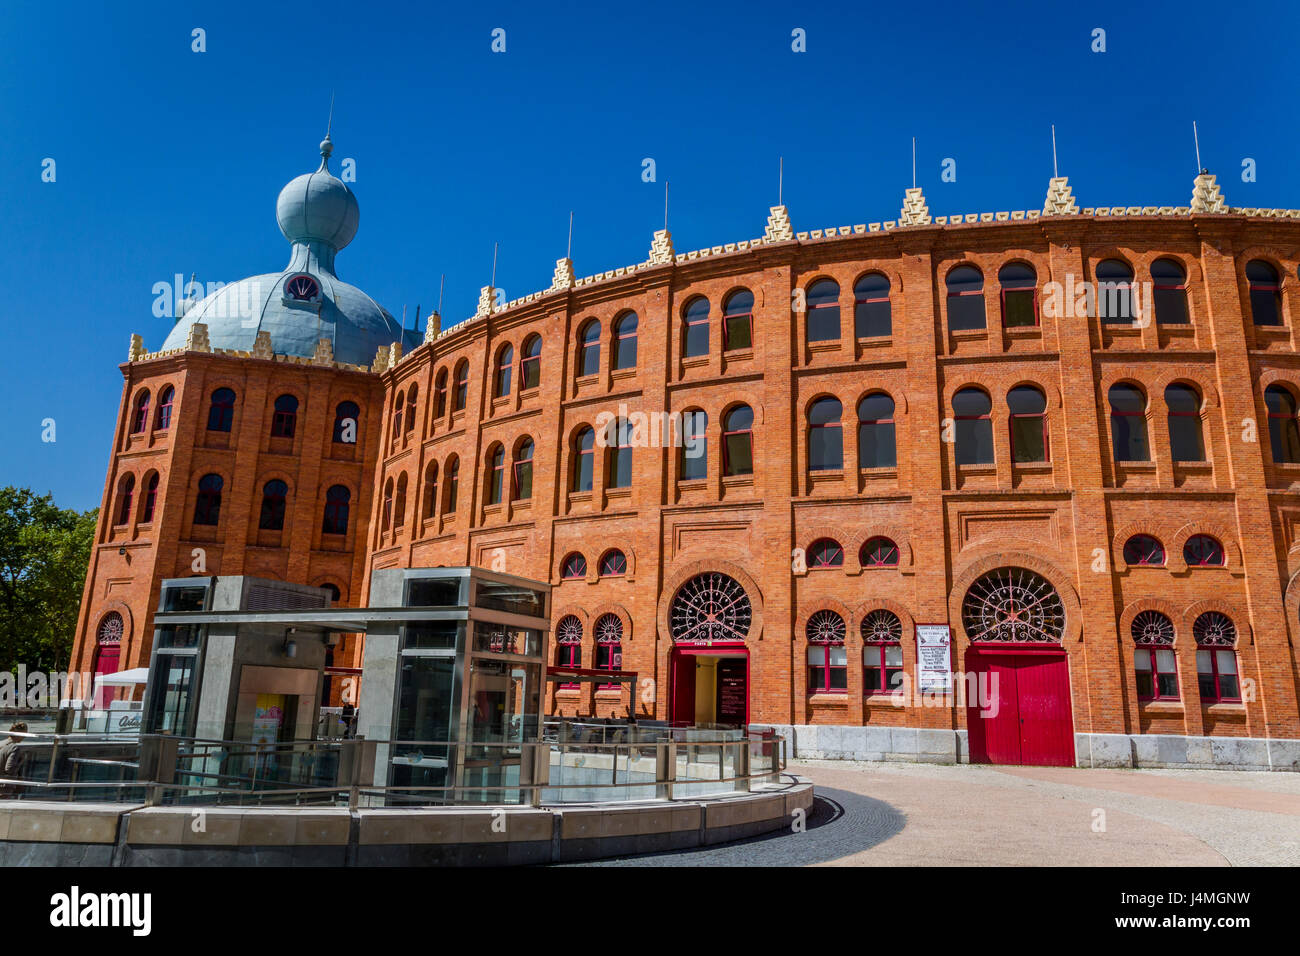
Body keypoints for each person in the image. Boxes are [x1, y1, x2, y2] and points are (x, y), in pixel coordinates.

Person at [0, 722, 29, 797]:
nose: (24, 737)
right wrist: (21, 761)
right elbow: (9, 769)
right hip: (4, 787)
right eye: (24, 735)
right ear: (18, 734)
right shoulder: (14, 748)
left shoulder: (1, 743)